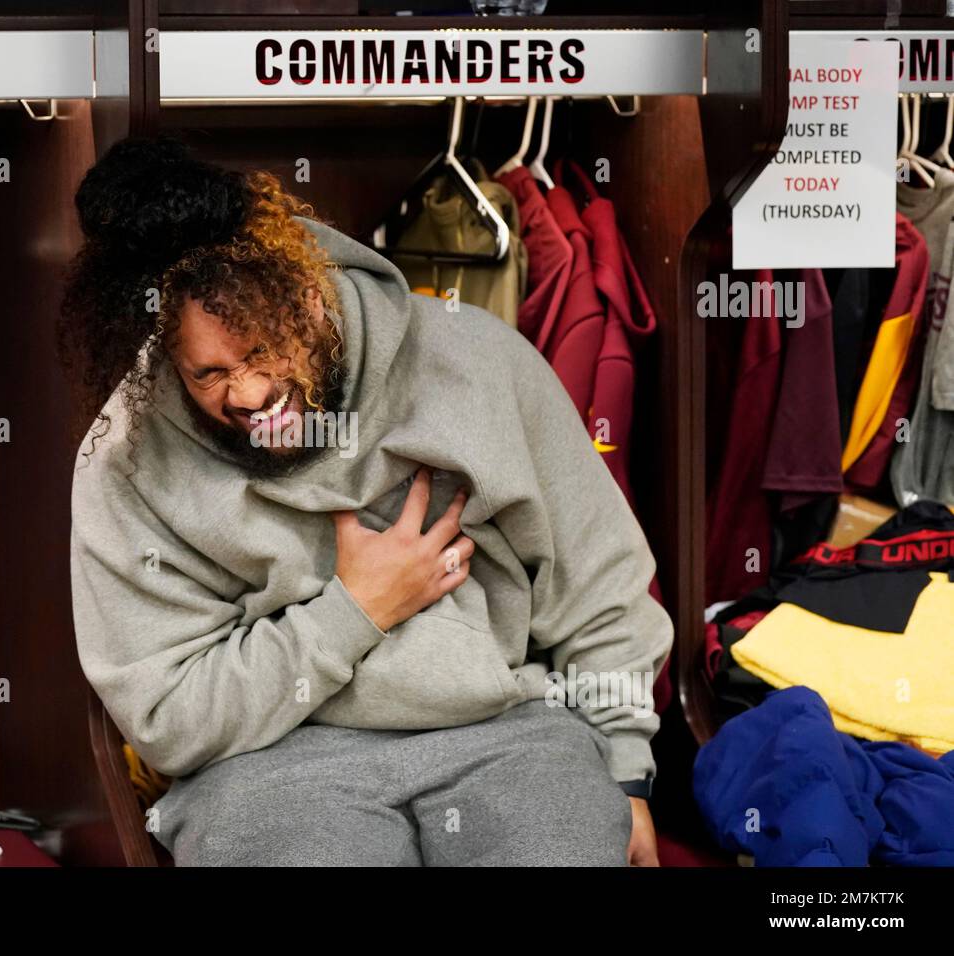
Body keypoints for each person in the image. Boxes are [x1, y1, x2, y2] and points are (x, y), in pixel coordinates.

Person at [59, 136, 672, 866]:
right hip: (266, 768)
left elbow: (597, 582)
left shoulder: (477, 362)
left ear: (311, 301)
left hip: (510, 734)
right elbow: (168, 716)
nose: (249, 395)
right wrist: (353, 612)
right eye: (209, 373)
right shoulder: (124, 463)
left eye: (261, 353)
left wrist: (628, 771)